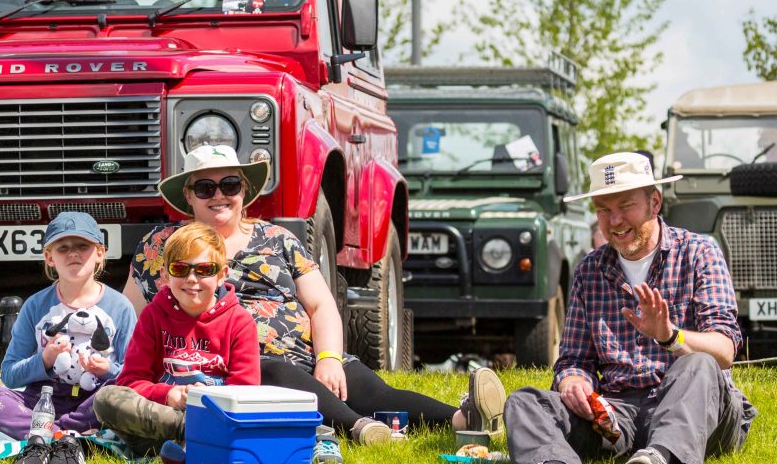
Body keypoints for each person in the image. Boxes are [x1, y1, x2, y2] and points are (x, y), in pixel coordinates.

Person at [124, 144, 504, 445]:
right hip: (230, 369)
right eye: (205, 187)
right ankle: (360, 430)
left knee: (367, 387)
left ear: (244, 192)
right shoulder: (159, 245)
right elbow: (129, 313)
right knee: (274, 370)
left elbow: (321, 304)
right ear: (188, 195)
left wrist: (328, 359)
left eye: (230, 185)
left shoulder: (278, 239)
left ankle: (463, 418)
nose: (219, 195)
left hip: (302, 351)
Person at [502, 151, 757, 464]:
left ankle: (660, 461)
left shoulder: (699, 253)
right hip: (619, 412)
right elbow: (574, 358)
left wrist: (671, 336)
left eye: (626, 205)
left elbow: (725, 351)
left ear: (655, 202)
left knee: (698, 363)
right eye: (604, 210)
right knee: (524, 402)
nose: (615, 220)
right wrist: (575, 383)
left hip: (698, 407)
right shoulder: (589, 270)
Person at [0, 211, 136, 464]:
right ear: (49, 257)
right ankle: (62, 434)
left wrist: (106, 370)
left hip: (92, 403)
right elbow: (9, 373)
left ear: (100, 253)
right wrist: (45, 360)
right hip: (38, 402)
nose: (73, 254)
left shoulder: (119, 306)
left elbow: (132, 375)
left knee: (122, 394)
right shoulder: (36, 305)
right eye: (62, 248)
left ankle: (53, 431)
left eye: (82, 246)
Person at [95, 223, 259, 453]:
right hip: (161, 421)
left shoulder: (240, 322)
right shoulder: (153, 315)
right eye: (180, 269)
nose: (192, 278)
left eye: (204, 270)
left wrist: (204, 400)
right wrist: (168, 394)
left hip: (217, 420)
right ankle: (188, 436)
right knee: (106, 399)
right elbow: (130, 382)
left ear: (222, 275)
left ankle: (193, 439)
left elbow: (246, 391)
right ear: (165, 275)